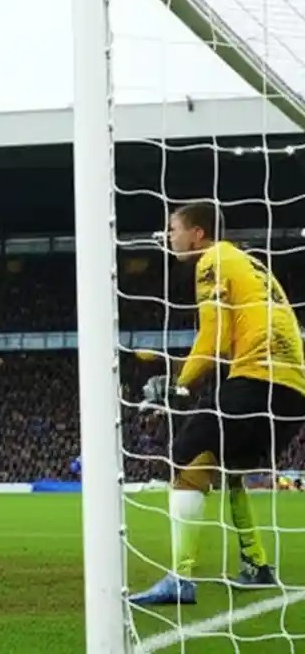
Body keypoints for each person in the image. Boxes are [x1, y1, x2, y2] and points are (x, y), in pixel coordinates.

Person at [130, 203, 305, 605]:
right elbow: (229, 341)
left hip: (258, 378)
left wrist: (180, 384)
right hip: (292, 389)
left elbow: (213, 333)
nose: (168, 236)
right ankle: (257, 564)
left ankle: (180, 578)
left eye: (173, 228)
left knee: (187, 461)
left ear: (198, 233)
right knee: (229, 467)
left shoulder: (211, 259)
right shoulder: (247, 263)